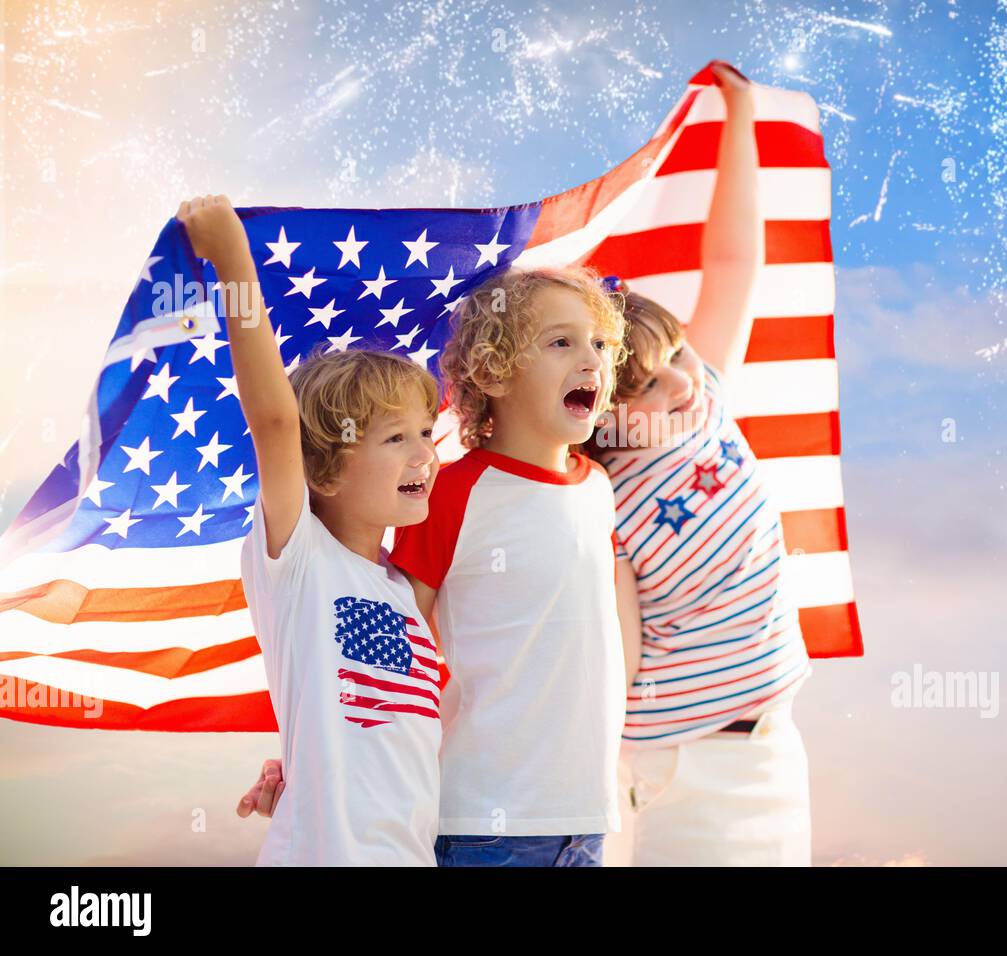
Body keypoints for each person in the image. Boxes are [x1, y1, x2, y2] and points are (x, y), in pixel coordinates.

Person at [239, 265, 629, 867]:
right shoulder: (444, 498)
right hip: (486, 825)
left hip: (583, 816)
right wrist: (303, 751)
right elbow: (273, 425)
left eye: (600, 343)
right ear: (495, 370)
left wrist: (305, 749)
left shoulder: (597, 487)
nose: (590, 359)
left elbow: (393, 695)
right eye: (561, 341)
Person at [588, 61, 816, 866]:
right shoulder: (599, 495)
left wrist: (740, 114)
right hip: (682, 763)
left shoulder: (708, 397)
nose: (681, 378)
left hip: (772, 744)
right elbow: (621, 652)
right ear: (602, 415)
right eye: (648, 382)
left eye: (676, 351)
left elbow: (732, 264)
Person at [178, 194, 448, 865]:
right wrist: (233, 257)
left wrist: (299, 760)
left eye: (425, 433)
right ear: (322, 471)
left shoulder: (404, 591)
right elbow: (272, 419)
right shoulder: (300, 558)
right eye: (395, 439)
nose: (425, 455)